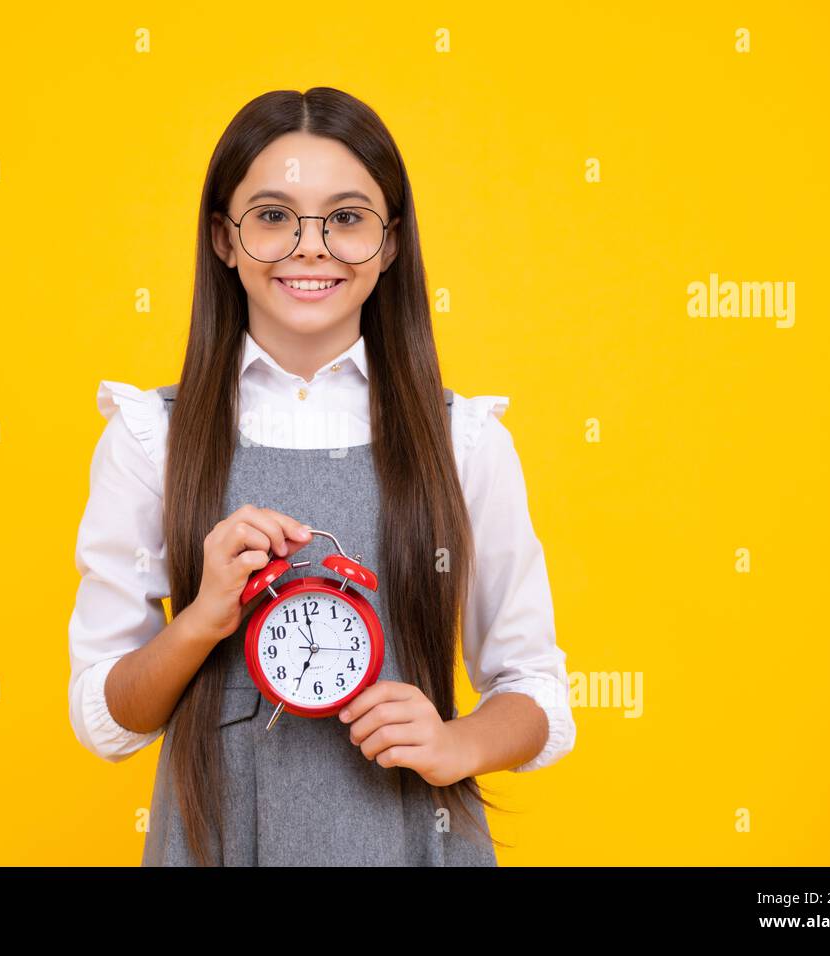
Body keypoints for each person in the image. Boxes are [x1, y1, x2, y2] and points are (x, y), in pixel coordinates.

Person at [67, 87, 575, 866]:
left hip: (413, 839)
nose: (311, 246)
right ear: (223, 240)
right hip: (219, 842)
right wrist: (204, 615)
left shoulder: (463, 440)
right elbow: (108, 721)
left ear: (391, 242)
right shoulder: (150, 437)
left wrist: (457, 740)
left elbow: (534, 688)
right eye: (273, 216)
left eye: (345, 217)